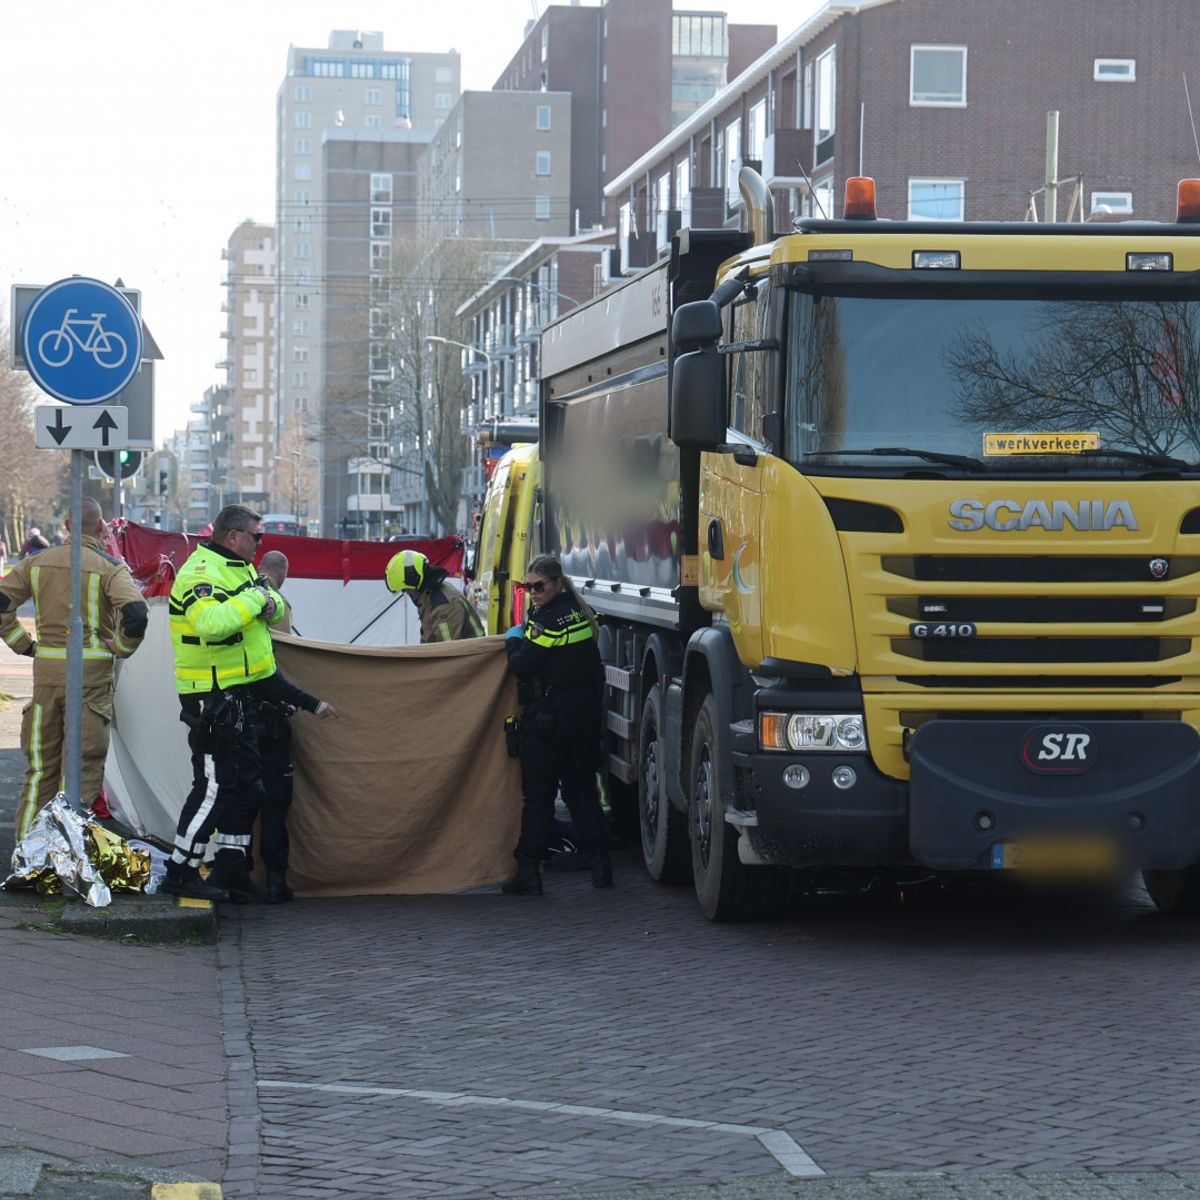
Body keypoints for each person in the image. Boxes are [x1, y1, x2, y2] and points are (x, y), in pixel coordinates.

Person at [0, 497, 148, 838]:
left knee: (40, 772)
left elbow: (2, 604)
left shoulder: (36, 563)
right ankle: (67, 861)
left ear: (66, 525)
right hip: (90, 683)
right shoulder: (109, 568)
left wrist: (23, 645)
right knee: (78, 775)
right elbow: (137, 613)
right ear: (101, 526)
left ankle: (27, 857)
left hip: (46, 679)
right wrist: (122, 647)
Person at [162, 504, 288, 902]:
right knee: (214, 786)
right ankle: (181, 871)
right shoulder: (201, 572)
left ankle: (231, 869)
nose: (260, 544)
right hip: (211, 697)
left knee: (245, 787)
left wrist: (266, 601)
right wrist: (256, 599)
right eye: (257, 536)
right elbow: (212, 624)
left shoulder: (243, 570)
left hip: (242, 693)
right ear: (234, 536)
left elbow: (274, 605)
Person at [501, 553, 610, 895]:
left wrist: (514, 639)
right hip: (583, 721)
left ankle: (528, 873)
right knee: (581, 794)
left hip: (548, 724)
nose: (533, 592)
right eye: (527, 586)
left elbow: (522, 665)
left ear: (557, 584)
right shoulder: (580, 613)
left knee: (538, 799)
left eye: (539, 586)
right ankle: (601, 865)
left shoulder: (547, 621)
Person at [252, 549, 337, 903]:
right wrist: (313, 704)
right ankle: (275, 880)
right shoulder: (277, 603)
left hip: (235, 720)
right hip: (271, 721)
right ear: (282, 574)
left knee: (239, 804)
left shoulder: (235, 595)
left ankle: (239, 879)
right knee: (275, 805)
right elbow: (280, 667)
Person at [385, 549, 484, 643]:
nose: (410, 596)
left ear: (414, 581)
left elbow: (447, 654)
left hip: (472, 660)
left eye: (407, 590)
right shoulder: (428, 598)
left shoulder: (442, 607)